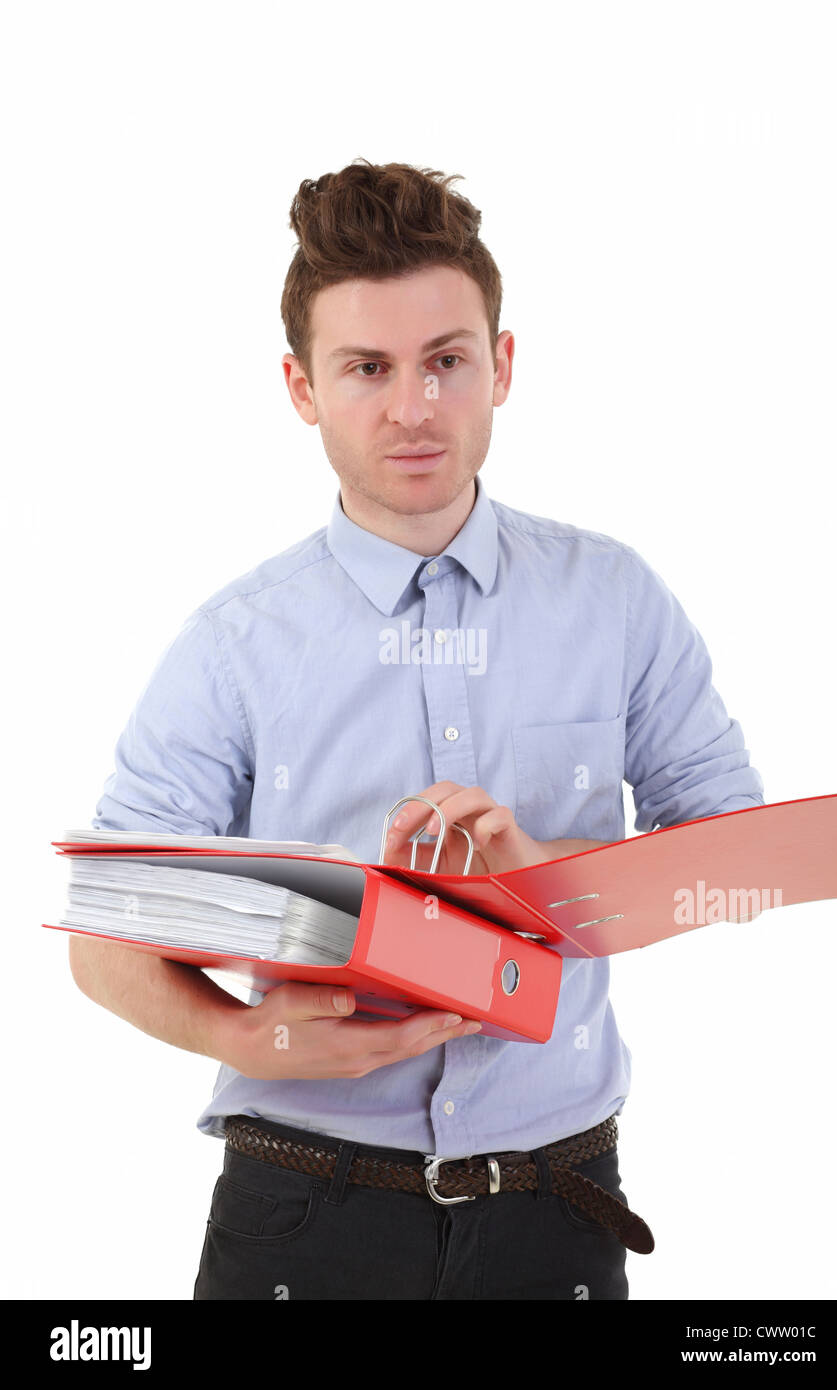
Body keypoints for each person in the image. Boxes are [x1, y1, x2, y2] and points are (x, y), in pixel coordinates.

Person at [69, 158, 764, 1301]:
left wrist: (550, 880)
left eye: (445, 361)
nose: (412, 407)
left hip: (557, 1208)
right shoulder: (230, 646)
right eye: (367, 369)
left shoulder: (616, 598)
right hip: (302, 1211)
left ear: (499, 365)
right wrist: (250, 1040)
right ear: (301, 386)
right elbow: (104, 937)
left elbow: (734, 855)